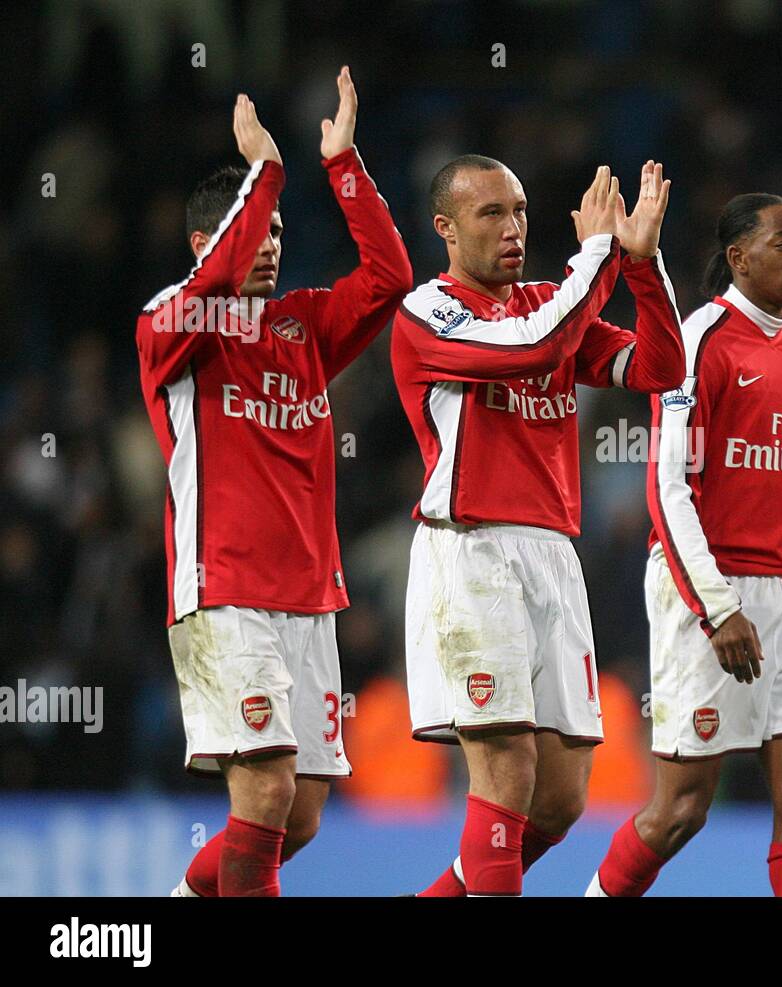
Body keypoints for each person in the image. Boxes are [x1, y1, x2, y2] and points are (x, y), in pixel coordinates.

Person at [136, 68, 412, 896]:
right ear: (204, 244)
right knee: (266, 788)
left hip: (309, 597)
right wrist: (267, 172)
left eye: (279, 229)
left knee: (301, 815)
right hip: (223, 590)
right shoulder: (171, 326)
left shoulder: (302, 328)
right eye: (253, 229)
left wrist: (343, 166)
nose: (271, 242)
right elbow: (214, 284)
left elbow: (392, 278)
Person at [390, 157, 685, 896]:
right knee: (508, 774)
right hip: (472, 551)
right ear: (445, 229)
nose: (514, 226)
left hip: (553, 554)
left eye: (520, 209)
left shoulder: (553, 303)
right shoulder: (431, 311)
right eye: (490, 213)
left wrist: (642, 265)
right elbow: (532, 347)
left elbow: (661, 367)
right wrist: (599, 256)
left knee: (561, 796)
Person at [586, 193, 782, 897]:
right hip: (708, 584)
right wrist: (717, 606)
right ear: (738, 257)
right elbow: (668, 485)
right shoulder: (701, 339)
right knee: (683, 807)